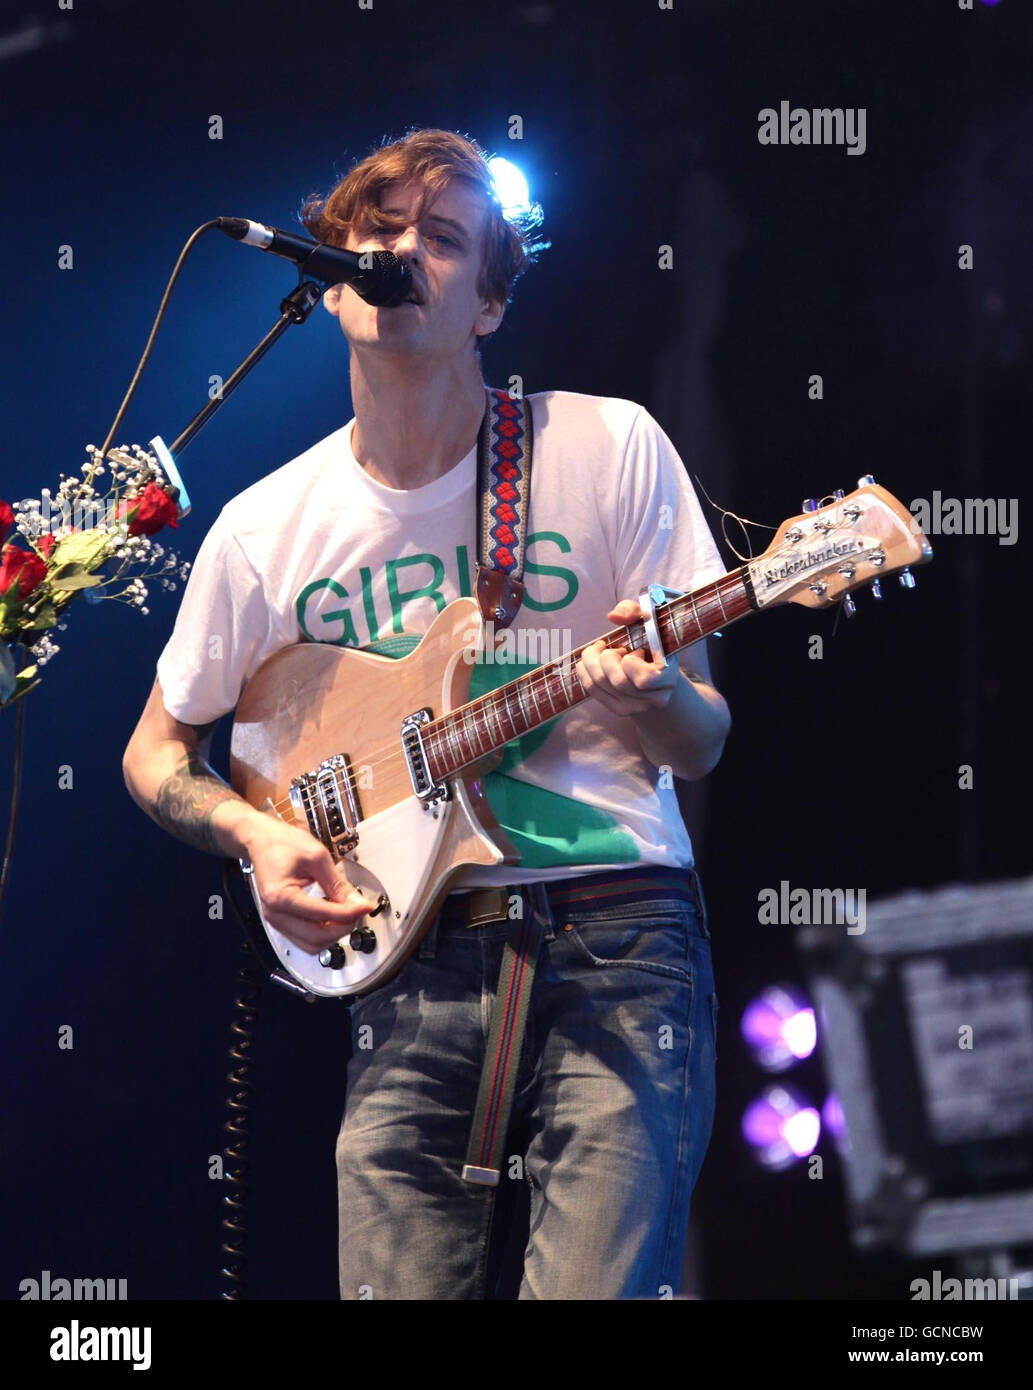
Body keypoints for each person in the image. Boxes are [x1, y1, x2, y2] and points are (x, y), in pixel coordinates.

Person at [122, 127, 731, 1300]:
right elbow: (157, 749)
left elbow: (702, 738)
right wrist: (261, 834)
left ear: (490, 305)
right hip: (409, 958)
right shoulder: (265, 527)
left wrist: (654, 690)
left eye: (441, 238)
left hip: (614, 931)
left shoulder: (603, 446)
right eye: (378, 229)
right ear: (334, 265)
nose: (400, 250)